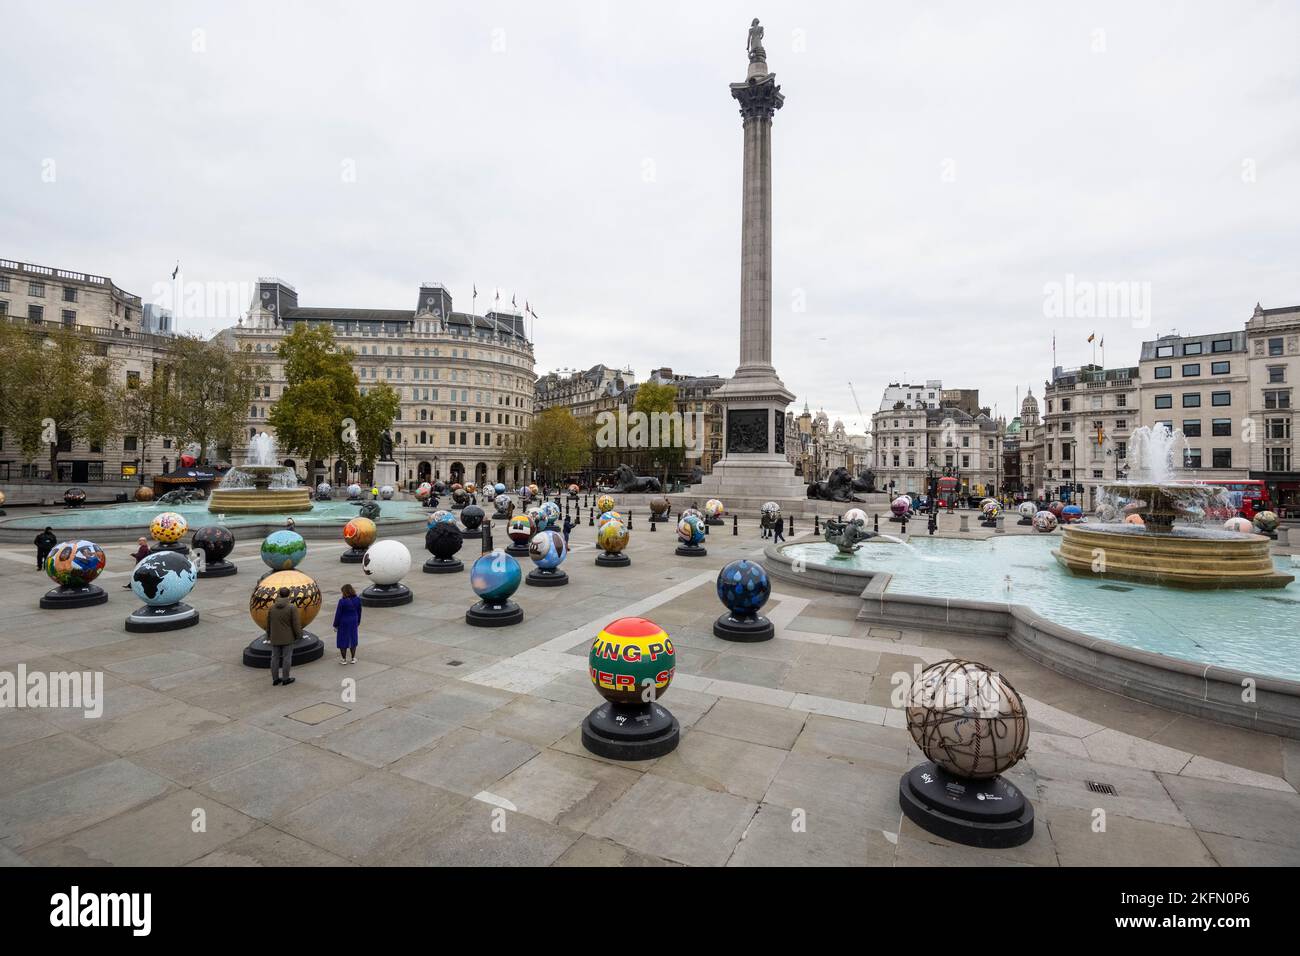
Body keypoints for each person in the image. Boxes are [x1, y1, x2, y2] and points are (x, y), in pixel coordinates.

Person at [265, 586, 301, 686]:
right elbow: (296, 624)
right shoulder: (291, 607)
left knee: (274, 658)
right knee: (287, 658)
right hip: (287, 637)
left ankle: (275, 679)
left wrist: (268, 635)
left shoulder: (272, 607)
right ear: (289, 595)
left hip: (275, 637)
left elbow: (268, 623)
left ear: (279, 594)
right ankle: (286, 678)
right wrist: (299, 635)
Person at [332, 583, 363, 664]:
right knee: (353, 638)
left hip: (344, 622)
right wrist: (358, 621)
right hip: (354, 620)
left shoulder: (342, 601)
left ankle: (344, 659)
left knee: (342, 639)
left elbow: (338, 614)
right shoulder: (357, 599)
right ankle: (353, 658)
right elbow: (359, 611)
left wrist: (335, 624)